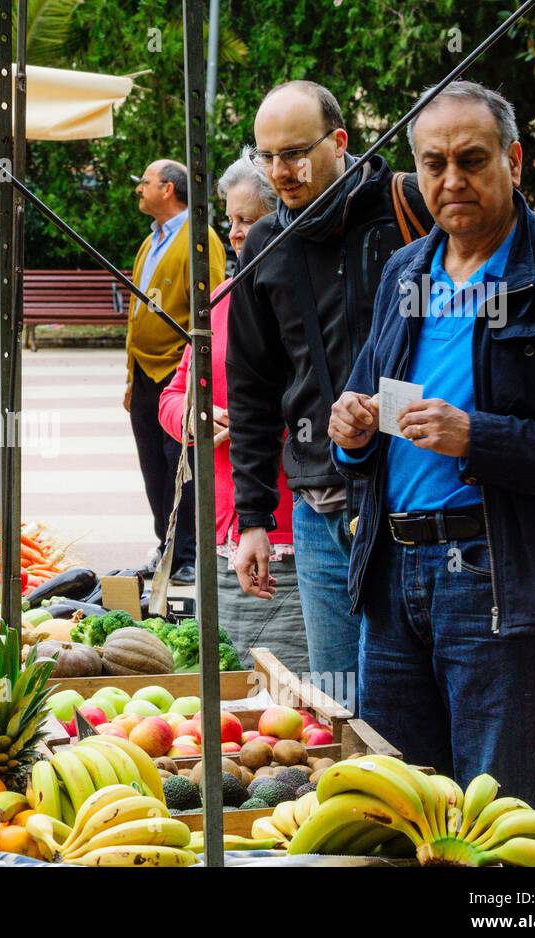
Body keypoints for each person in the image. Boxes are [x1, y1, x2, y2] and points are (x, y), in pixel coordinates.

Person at [329, 81, 535, 811]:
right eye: (433, 163)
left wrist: (481, 436)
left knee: (497, 817)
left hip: (497, 577)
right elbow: (364, 414)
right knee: (395, 811)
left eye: (472, 160)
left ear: (513, 160)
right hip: (392, 573)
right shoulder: (404, 272)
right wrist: (350, 435)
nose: (452, 180)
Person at [226, 81, 433, 705]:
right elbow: (253, 389)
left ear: (339, 142)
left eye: (295, 153)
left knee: (416, 698)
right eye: (267, 157)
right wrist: (255, 520)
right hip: (321, 509)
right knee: (340, 699)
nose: (279, 172)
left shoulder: (411, 207)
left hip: (411, 497)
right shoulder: (265, 244)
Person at [158, 150, 307, 672]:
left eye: (249, 219)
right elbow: (172, 395)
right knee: (233, 681)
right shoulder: (220, 298)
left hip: (286, 526)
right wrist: (194, 417)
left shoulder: (304, 300)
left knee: (289, 682)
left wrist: (262, 419)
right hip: (221, 525)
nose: (237, 233)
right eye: (231, 220)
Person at [127, 159, 228, 586]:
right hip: (146, 376)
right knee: (154, 467)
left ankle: (187, 553)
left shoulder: (200, 239)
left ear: (168, 188)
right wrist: (131, 377)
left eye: (145, 183)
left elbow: (215, 310)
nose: (138, 190)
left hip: (178, 374)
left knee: (181, 468)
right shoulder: (151, 242)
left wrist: (200, 381)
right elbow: (136, 315)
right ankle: (166, 545)